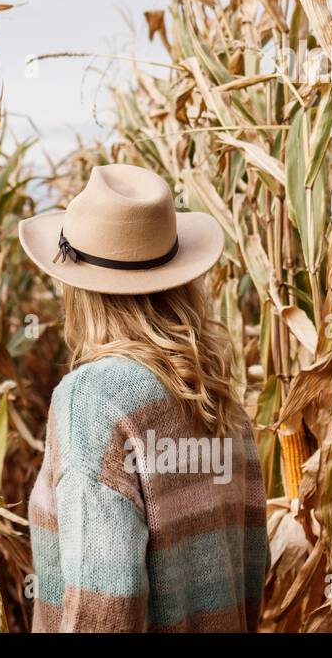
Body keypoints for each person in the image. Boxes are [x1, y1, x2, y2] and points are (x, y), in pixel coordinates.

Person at [18, 163, 267, 632]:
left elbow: (105, 601)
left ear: (79, 289)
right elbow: (254, 561)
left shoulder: (93, 400)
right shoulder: (214, 395)